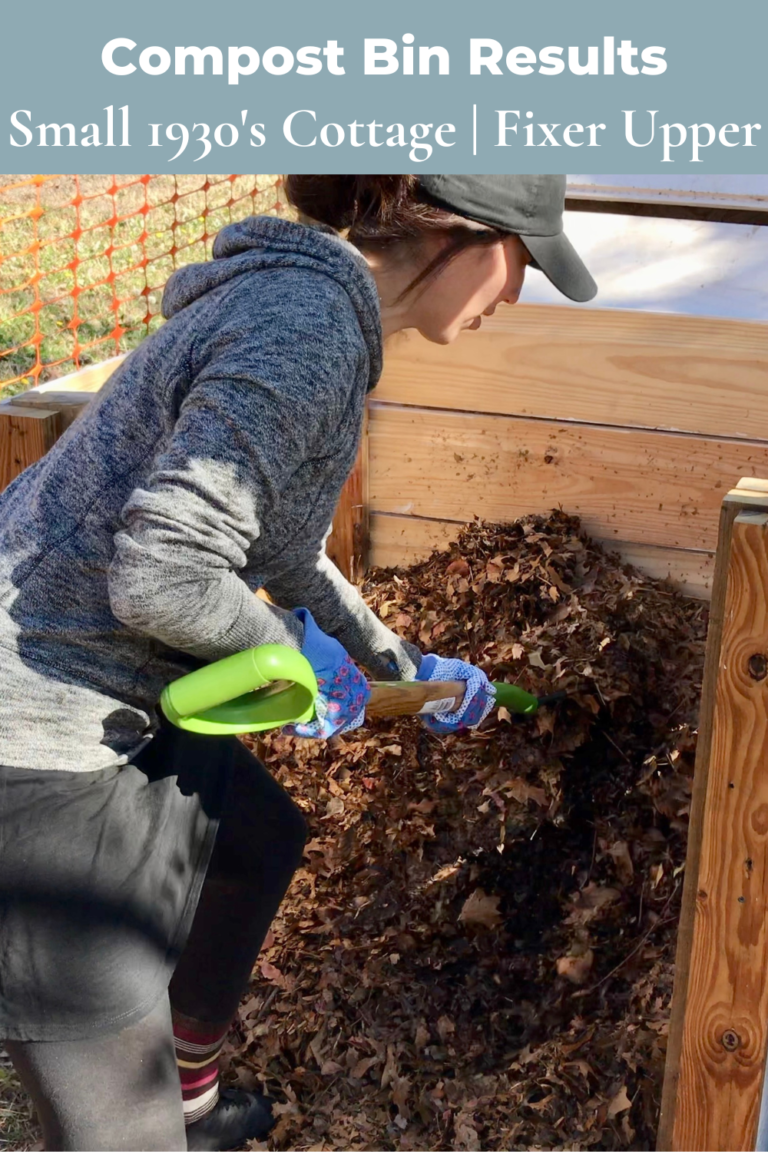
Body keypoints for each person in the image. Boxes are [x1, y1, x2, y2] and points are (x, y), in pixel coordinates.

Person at [0, 174, 596, 1151]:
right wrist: (286, 660)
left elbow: (272, 544)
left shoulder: (308, 305)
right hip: (37, 736)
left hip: (113, 679)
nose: (514, 297)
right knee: (117, 1126)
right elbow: (162, 571)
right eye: (523, 262)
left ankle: (191, 1099)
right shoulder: (306, 331)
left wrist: (384, 653)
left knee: (256, 842)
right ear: (460, 230)